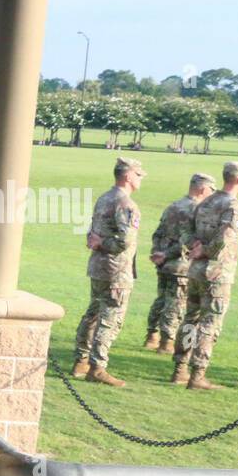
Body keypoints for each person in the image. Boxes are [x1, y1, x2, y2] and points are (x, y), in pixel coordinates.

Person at [73, 157, 145, 387]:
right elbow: (124, 241)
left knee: (92, 314)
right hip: (116, 271)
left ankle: (80, 361)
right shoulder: (126, 204)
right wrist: (104, 244)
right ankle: (97, 367)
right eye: (138, 174)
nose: (140, 178)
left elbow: (93, 233)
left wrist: (98, 243)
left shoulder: (105, 197)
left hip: (98, 267)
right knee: (109, 319)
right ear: (127, 176)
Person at [171, 161, 238, 390]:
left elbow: (185, 230)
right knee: (211, 322)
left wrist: (194, 246)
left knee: (190, 319)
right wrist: (206, 250)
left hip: (196, 269)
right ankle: (197, 374)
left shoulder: (206, 202)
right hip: (216, 272)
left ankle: (179, 367)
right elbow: (224, 239)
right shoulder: (233, 206)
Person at [145, 172, 214, 352]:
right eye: (210, 190)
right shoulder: (196, 210)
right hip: (179, 264)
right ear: (202, 189)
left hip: (163, 262)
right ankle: (166, 342)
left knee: (161, 299)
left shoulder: (174, 205)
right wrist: (166, 255)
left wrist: (157, 253)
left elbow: (158, 233)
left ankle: (151, 335)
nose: (211, 194)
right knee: (175, 304)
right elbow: (188, 241)